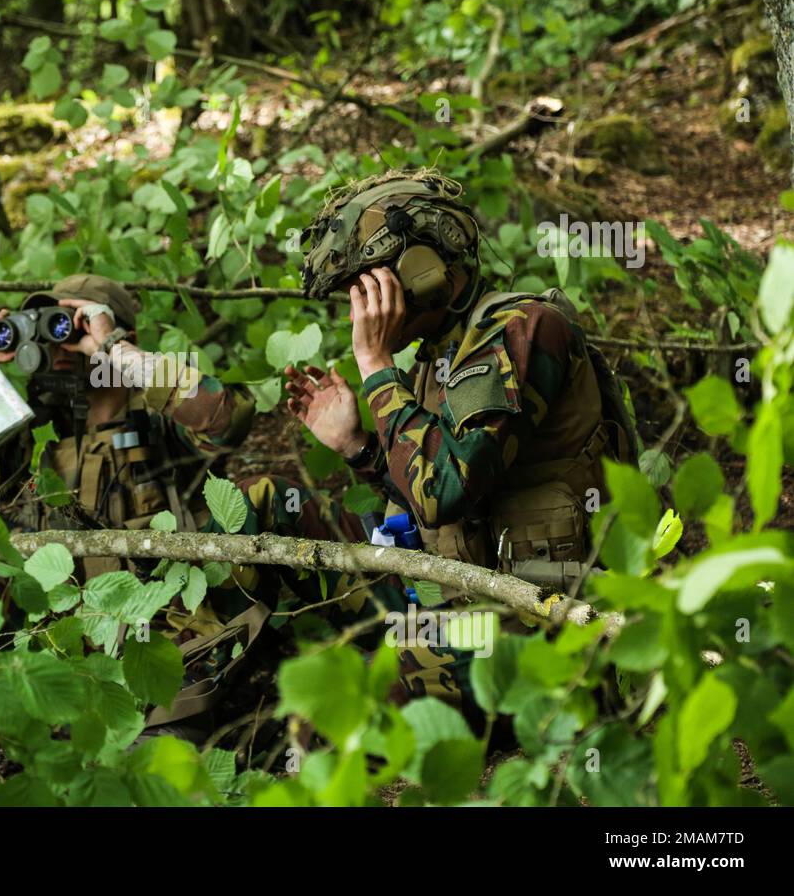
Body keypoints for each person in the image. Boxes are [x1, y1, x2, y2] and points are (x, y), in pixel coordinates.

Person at [236, 168, 638, 714]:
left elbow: (445, 492)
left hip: (532, 625)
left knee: (356, 688)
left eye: (367, 287)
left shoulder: (523, 330)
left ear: (420, 273)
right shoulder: (437, 354)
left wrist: (376, 368)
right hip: (452, 593)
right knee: (255, 504)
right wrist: (361, 447)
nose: (359, 310)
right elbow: (431, 506)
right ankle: (187, 709)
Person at [0, 273, 260, 740]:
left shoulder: (158, 420)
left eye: (66, 327)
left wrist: (113, 348)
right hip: (54, 672)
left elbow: (226, 418)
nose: (56, 347)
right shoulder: (20, 439)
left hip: (162, 663)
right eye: (40, 326)